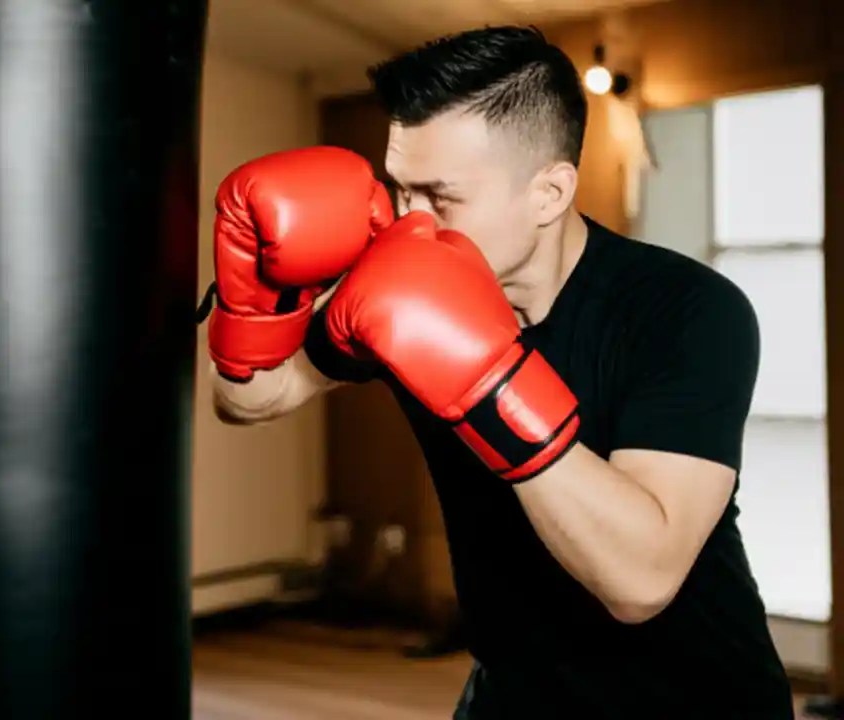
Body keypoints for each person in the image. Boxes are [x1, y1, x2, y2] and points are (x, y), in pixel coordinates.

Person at [199, 24, 794, 720]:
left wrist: (483, 381)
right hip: (512, 692)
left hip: (695, 700)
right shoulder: (400, 287)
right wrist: (262, 299)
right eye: (400, 191)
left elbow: (640, 580)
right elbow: (251, 398)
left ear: (548, 193)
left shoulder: (684, 311)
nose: (409, 224)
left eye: (440, 197)